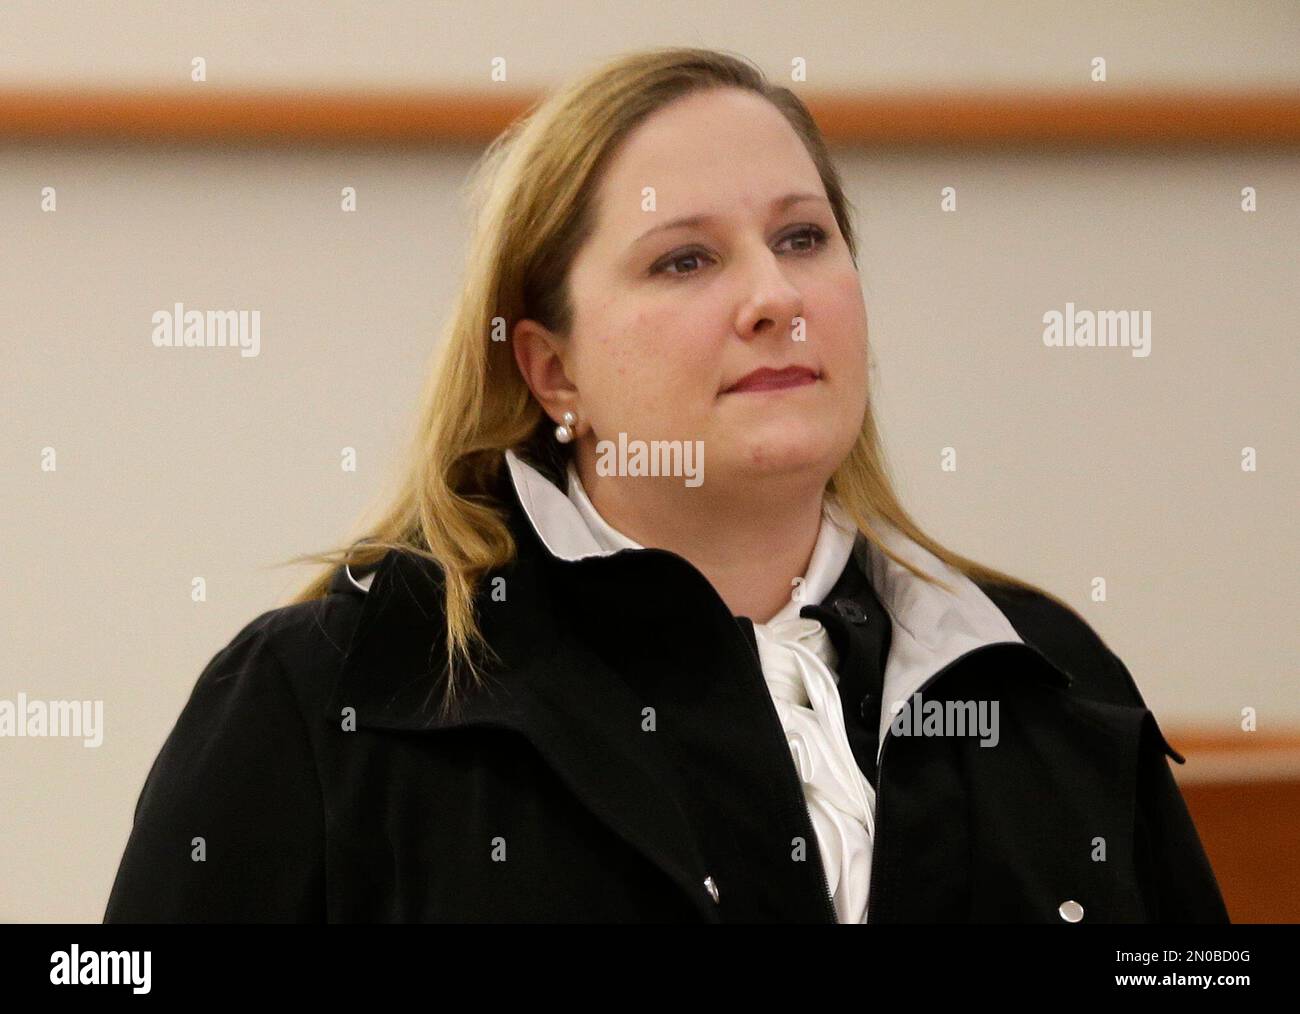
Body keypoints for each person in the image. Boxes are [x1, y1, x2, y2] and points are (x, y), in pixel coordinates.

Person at [103, 47, 1229, 924]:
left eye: (802, 238)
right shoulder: (335, 691)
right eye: (684, 259)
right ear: (552, 368)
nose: (773, 298)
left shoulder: (1045, 678)